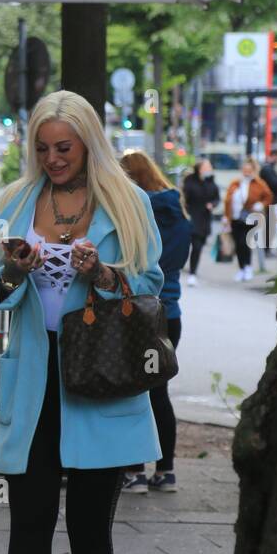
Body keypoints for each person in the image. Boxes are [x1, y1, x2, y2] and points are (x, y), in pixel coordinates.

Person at [0, 89, 163, 554]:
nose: (53, 159)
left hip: (100, 382)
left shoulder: (128, 203)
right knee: (28, 523)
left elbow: (152, 287)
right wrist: (16, 269)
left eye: (65, 147)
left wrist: (102, 275)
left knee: (92, 529)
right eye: (43, 147)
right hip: (35, 382)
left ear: (89, 143)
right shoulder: (15, 201)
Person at [118, 150, 189, 495]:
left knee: (132, 391)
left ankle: (135, 471)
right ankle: (167, 470)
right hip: (170, 314)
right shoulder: (178, 214)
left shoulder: (136, 213)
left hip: (138, 311)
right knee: (159, 391)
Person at [223, 158, 273, 282]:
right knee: (238, 244)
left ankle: (248, 267)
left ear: (253, 170)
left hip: (249, 217)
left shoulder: (259, 183)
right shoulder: (235, 183)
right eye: (244, 170)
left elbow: (268, 196)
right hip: (235, 218)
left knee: (244, 242)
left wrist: (260, 205)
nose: (246, 172)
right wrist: (226, 216)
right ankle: (241, 268)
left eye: (249, 170)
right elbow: (227, 200)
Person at [182, 159, 219, 286]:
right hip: (191, 217)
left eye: (209, 167)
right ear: (199, 168)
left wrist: (212, 204)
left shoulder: (211, 182)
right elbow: (184, 197)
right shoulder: (190, 181)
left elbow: (216, 198)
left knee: (198, 247)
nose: (209, 169)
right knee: (186, 246)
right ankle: (186, 268)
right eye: (206, 167)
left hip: (204, 219)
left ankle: (192, 272)